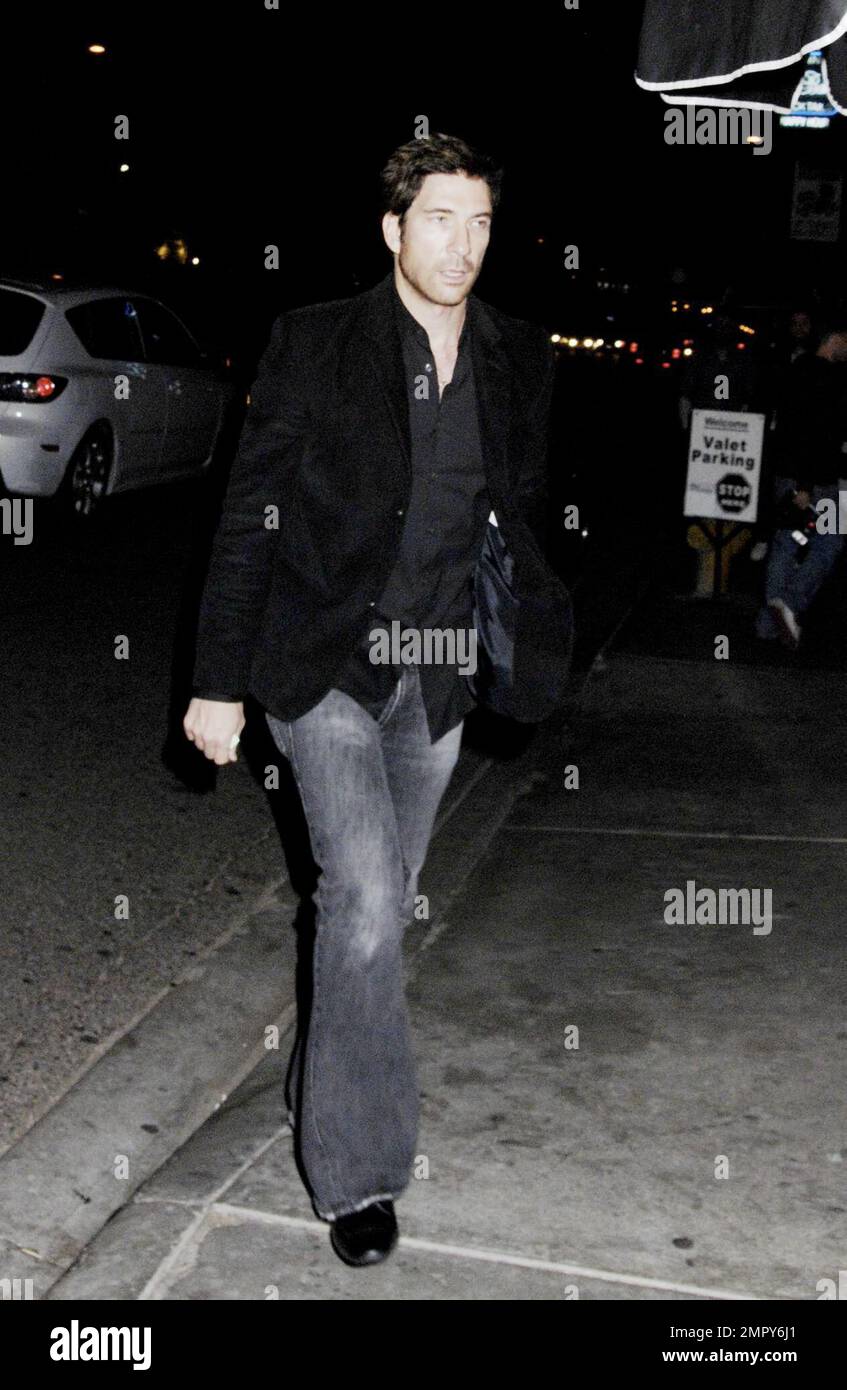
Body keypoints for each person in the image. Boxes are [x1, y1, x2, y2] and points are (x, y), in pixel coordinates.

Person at [182, 133, 573, 1266]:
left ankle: (319, 1084)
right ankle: (358, 1174)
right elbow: (249, 515)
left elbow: (526, 511)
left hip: (437, 674)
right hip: (327, 666)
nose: (462, 244)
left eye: (481, 223)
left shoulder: (517, 356)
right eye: (440, 220)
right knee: (359, 902)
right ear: (394, 231)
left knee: (374, 912)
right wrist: (216, 682)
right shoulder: (316, 344)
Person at [754, 327, 847, 647]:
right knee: (830, 543)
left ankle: (769, 624)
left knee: (787, 542)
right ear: (833, 340)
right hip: (818, 481)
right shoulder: (829, 378)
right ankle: (789, 604)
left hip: (789, 474)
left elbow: (785, 423)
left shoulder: (793, 371)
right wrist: (806, 483)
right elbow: (817, 432)